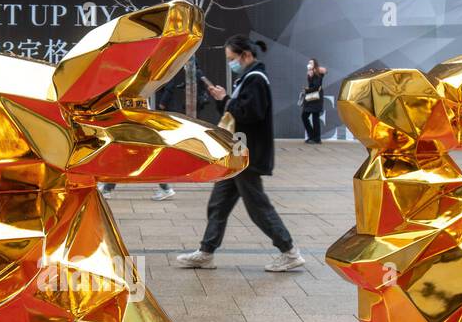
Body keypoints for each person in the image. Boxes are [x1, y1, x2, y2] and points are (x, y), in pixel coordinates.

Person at [175, 35, 305, 271]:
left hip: (247, 154)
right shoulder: (246, 79)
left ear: (246, 55)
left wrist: (225, 99)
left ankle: (289, 251)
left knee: (257, 206)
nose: (230, 63)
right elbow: (235, 114)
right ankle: (206, 252)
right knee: (219, 203)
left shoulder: (256, 79)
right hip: (238, 152)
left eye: (232, 58)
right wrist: (222, 99)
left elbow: (250, 113)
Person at [102, 71, 200, 202]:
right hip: (137, 131)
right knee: (130, 160)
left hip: (134, 131)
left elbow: (129, 112)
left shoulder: (129, 92)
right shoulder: (138, 91)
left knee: (129, 159)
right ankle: (108, 187)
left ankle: (108, 188)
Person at [300, 58, 327, 144]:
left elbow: (316, 86)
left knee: (315, 118)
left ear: (315, 64)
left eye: (311, 63)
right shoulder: (310, 73)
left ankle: (317, 139)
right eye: (309, 63)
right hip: (311, 98)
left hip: (316, 98)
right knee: (304, 116)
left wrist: (306, 90)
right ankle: (312, 136)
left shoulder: (318, 73)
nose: (309, 64)